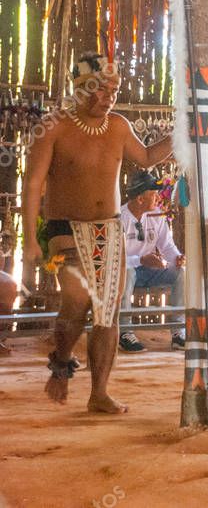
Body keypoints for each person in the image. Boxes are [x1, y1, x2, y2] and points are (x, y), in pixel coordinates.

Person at [21, 53, 172, 413]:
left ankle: (98, 393)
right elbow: (32, 184)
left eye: (114, 91)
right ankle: (61, 360)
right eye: (100, 90)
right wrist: (29, 238)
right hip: (64, 228)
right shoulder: (54, 126)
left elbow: (148, 157)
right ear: (80, 88)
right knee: (76, 298)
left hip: (108, 228)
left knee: (107, 312)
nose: (108, 98)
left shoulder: (118, 127)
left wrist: (180, 135)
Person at [117, 170, 185, 353]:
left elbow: (167, 246)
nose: (157, 198)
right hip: (126, 272)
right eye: (153, 194)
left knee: (180, 273)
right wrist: (140, 260)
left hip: (149, 271)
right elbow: (116, 258)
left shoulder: (157, 216)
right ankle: (125, 332)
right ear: (140, 199)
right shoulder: (119, 218)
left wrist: (177, 258)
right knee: (128, 272)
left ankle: (178, 332)